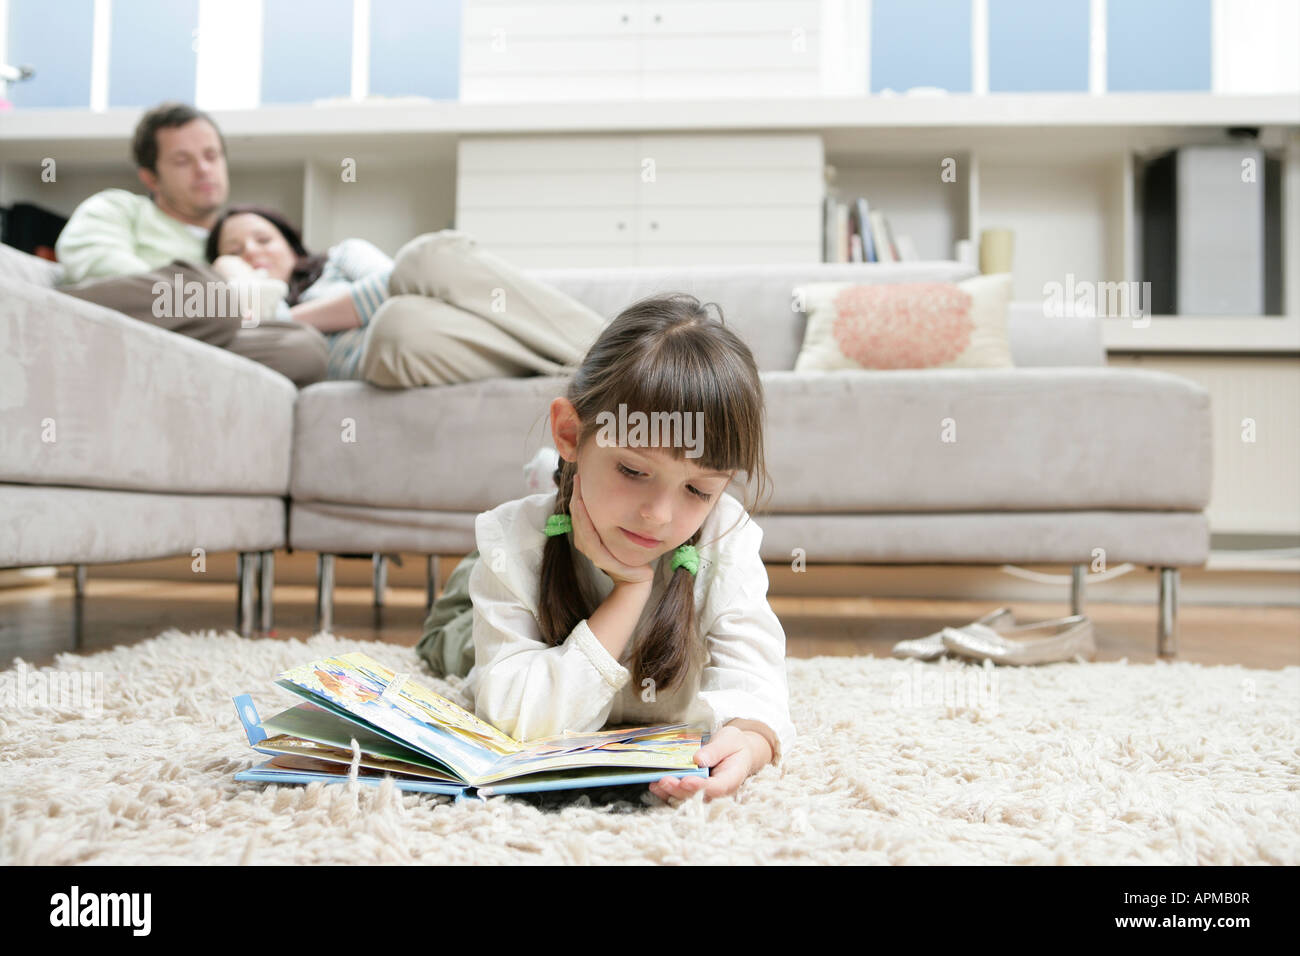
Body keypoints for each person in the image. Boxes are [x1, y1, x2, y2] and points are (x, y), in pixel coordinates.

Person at [416, 293, 797, 802]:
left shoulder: (726, 539)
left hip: (583, 526)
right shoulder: (513, 542)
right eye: (634, 471)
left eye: (699, 490)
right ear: (571, 432)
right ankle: (551, 482)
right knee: (453, 646)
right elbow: (516, 719)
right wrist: (630, 590)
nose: (659, 515)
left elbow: (759, 689)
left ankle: (570, 479)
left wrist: (749, 742)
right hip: (533, 556)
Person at [53, 101, 328, 387]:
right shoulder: (119, 208)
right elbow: (95, 266)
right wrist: (195, 293)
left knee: (303, 346)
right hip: (119, 317)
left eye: (212, 156)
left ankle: (167, 367)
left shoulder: (233, 238)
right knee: (213, 295)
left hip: (200, 341)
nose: (203, 169)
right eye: (183, 161)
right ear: (151, 178)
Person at [205, 207, 609, 387]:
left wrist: (298, 321)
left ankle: (616, 358)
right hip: (399, 350)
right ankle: (607, 365)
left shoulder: (342, 256)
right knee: (395, 327)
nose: (253, 252)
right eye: (236, 250)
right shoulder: (259, 314)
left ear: (292, 244)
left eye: (263, 239)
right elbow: (387, 307)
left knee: (425, 256)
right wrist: (239, 281)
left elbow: (394, 282)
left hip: (432, 312)